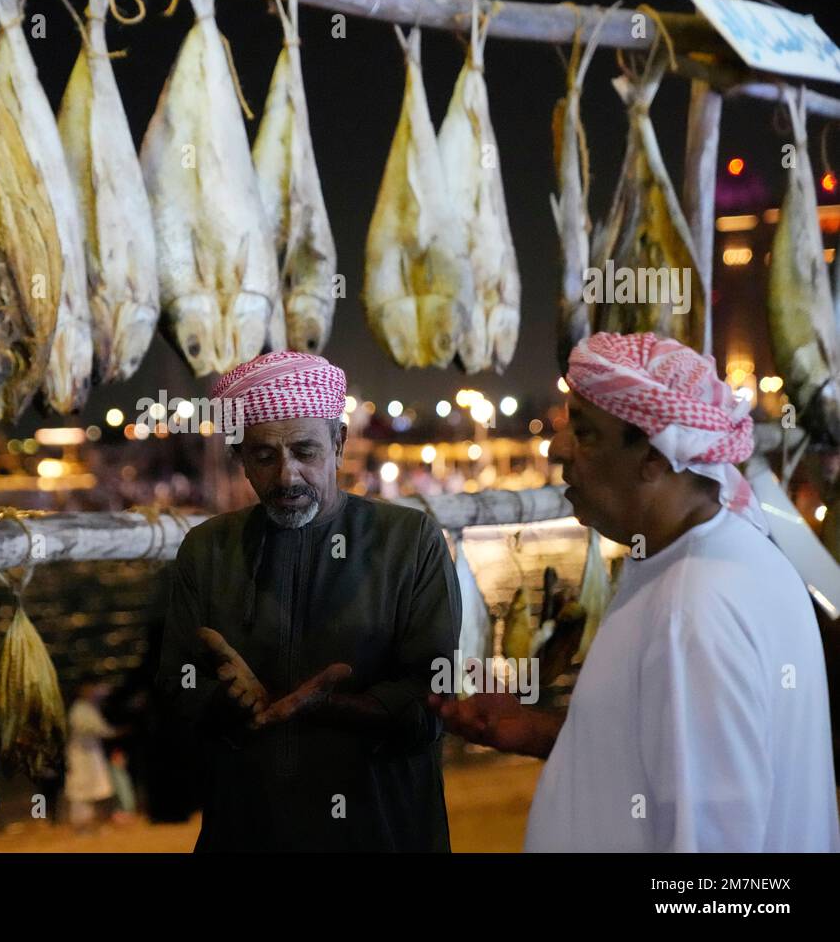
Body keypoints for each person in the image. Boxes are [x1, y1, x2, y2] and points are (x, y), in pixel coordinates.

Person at [432, 332, 840, 852]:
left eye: (585, 433)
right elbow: (673, 759)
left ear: (653, 455)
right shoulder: (726, 555)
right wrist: (538, 730)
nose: (557, 448)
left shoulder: (694, 611)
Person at [157, 351, 461, 851]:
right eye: (263, 457)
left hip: (383, 834)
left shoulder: (409, 542)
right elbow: (175, 689)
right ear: (240, 458)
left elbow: (431, 703)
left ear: (338, 443)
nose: (286, 476)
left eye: (305, 451)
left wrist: (321, 706)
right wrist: (228, 702)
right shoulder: (207, 550)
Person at [64, 681, 118, 830]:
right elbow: (95, 728)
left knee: (92, 791)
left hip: (91, 754)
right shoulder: (79, 709)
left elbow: (103, 692)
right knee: (80, 790)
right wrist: (115, 732)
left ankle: (90, 824)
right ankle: (81, 826)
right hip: (80, 755)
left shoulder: (88, 707)